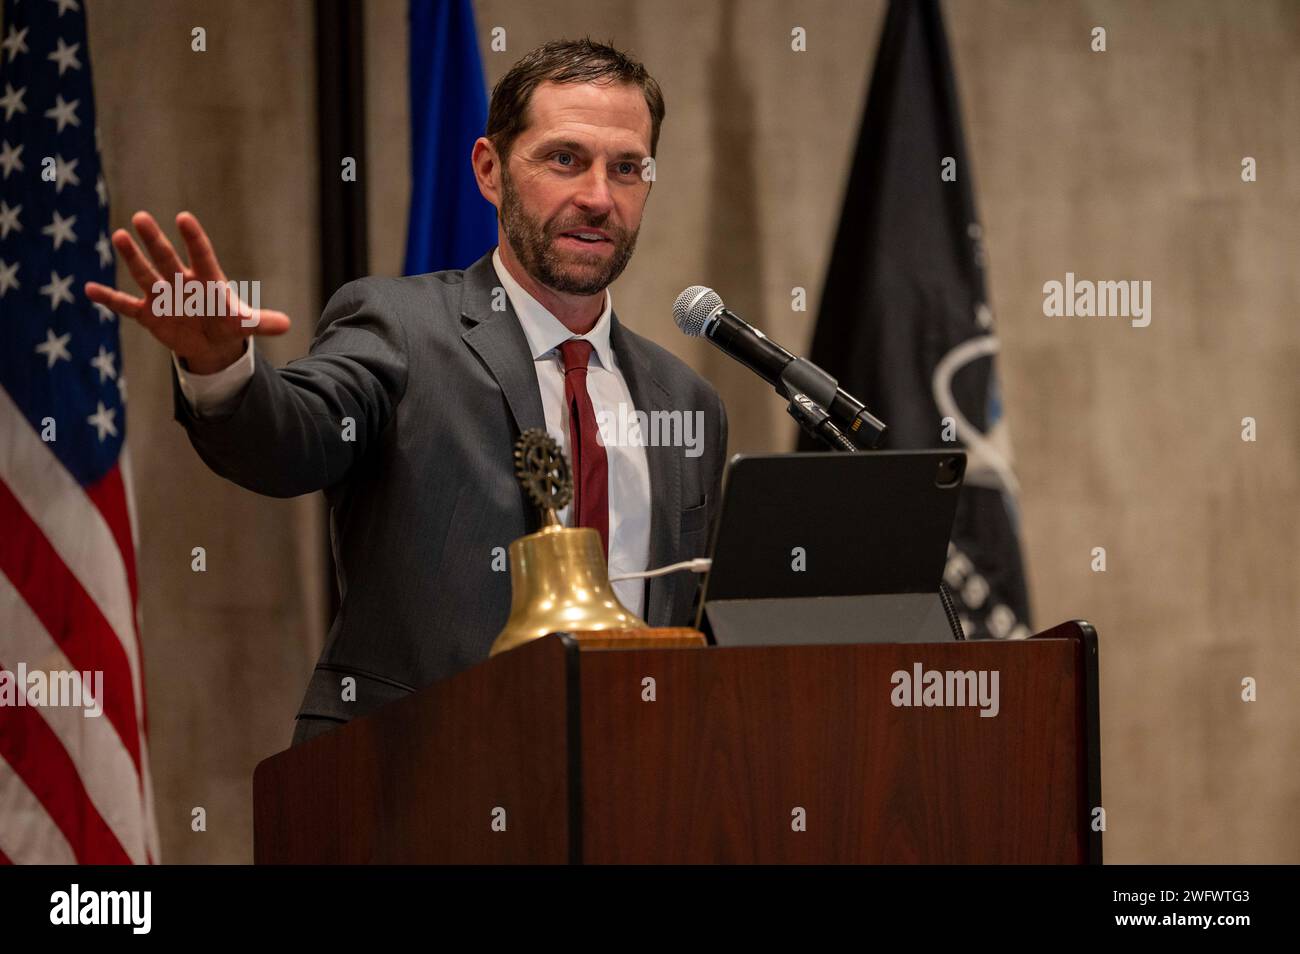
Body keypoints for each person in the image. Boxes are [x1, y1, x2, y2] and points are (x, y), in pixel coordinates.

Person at [86, 39, 728, 746]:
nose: (598, 197)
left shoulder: (685, 401)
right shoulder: (400, 328)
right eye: (565, 159)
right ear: (489, 170)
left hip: (637, 786)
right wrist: (223, 366)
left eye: (627, 168)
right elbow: (291, 439)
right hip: (416, 775)